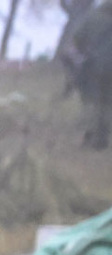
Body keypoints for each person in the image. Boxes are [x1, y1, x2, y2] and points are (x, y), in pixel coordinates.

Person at [59, 0, 112, 147]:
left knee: (91, 101)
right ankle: (103, 138)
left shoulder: (92, 18)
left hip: (93, 67)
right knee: (108, 103)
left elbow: (77, 40)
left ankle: (90, 137)